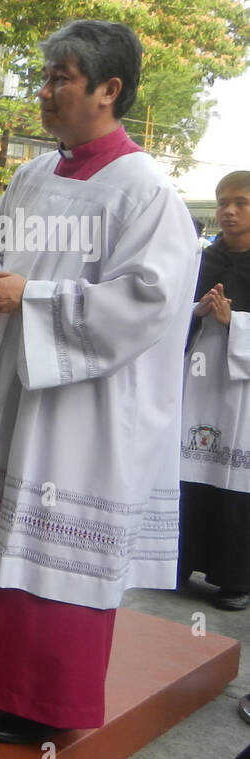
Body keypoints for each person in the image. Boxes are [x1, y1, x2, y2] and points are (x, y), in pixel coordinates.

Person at [0, 20, 198, 743]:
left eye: (62, 78)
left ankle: (40, 705)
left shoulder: (146, 192)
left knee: (52, 551)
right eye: (45, 75)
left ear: (110, 90)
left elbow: (147, 300)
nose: (45, 91)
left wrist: (30, 298)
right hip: (14, 391)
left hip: (81, 407)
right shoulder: (32, 175)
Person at [177, 170, 250, 612]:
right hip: (200, 384)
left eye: (241, 202)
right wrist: (196, 312)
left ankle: (234, 576)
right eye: (223, 202)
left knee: (237, 477)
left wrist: (235, 324)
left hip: (243, 395)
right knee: (190, 469)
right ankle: (179, 562)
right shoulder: (201, 261)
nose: (228, 210)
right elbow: (171, 315)